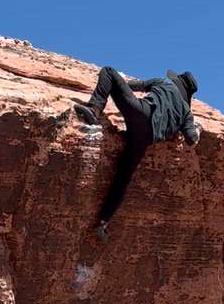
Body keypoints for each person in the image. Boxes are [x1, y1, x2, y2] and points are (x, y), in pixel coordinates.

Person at [72, 66, 200, 238]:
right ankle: (103, 222)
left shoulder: (163, 82)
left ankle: (94, 110)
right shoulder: (186, 112)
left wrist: (120, 86)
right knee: (123, 177)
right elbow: (192, 139)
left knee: (109, 72)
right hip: (145, 138)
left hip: (140, 112)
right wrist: (195, 130)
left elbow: (133, 86)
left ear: (177, 81)